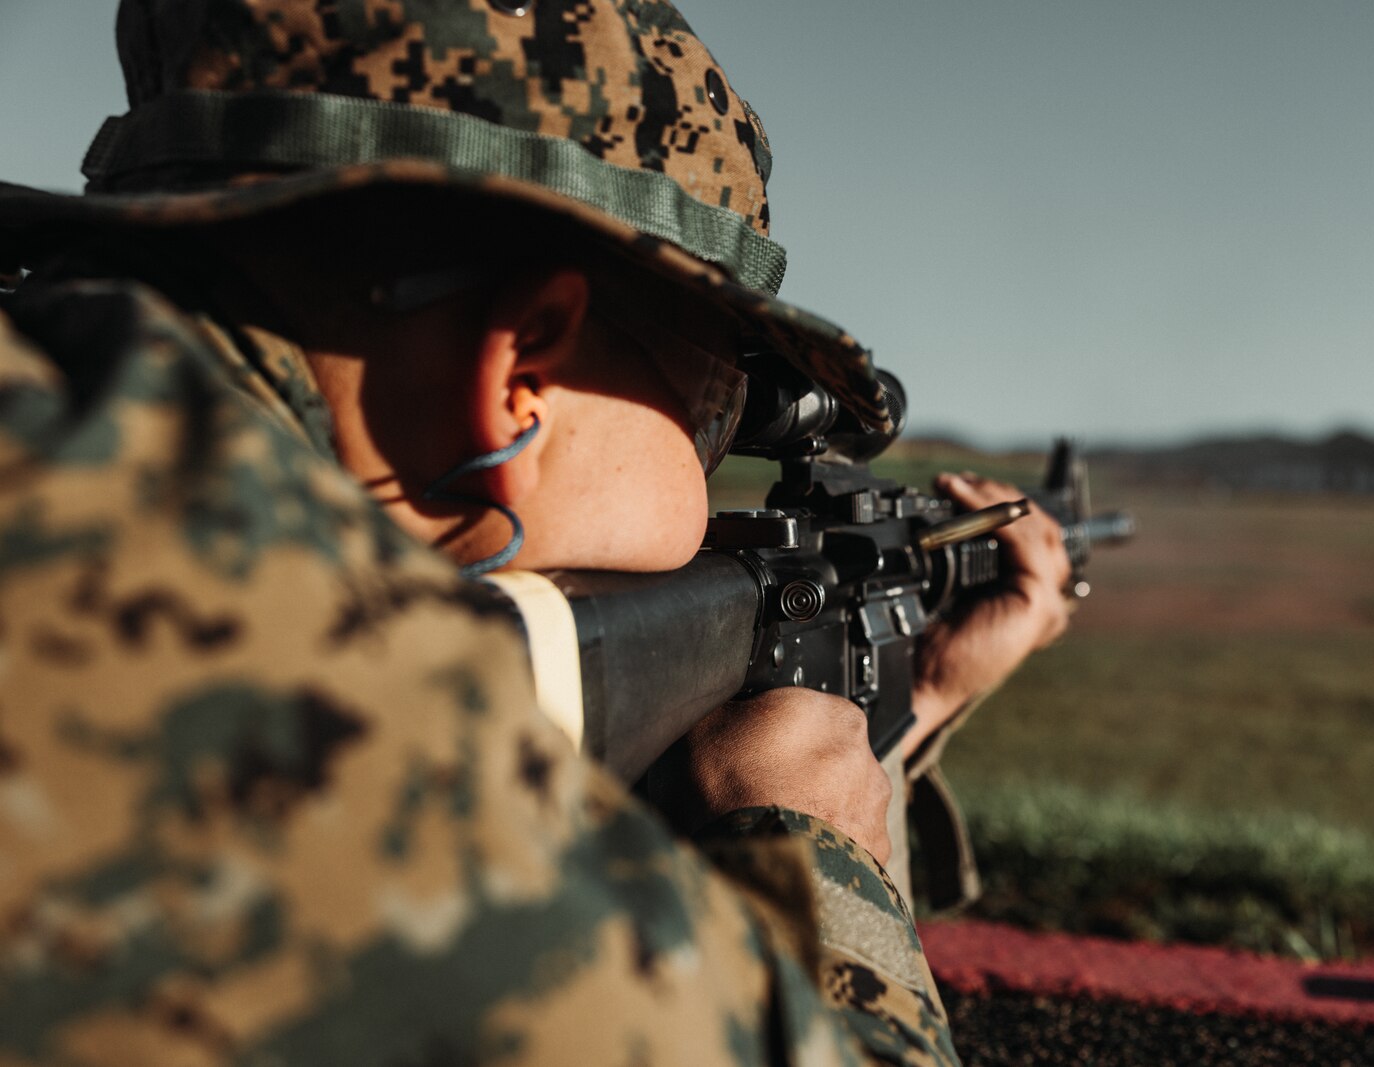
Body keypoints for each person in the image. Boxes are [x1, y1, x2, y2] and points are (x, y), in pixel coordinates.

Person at [0, 1, 1070, 1063]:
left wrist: (913, 693)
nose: (715, 481)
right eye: (714, 416)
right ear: (523, 373)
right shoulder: (294, 710)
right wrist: (814, 853)